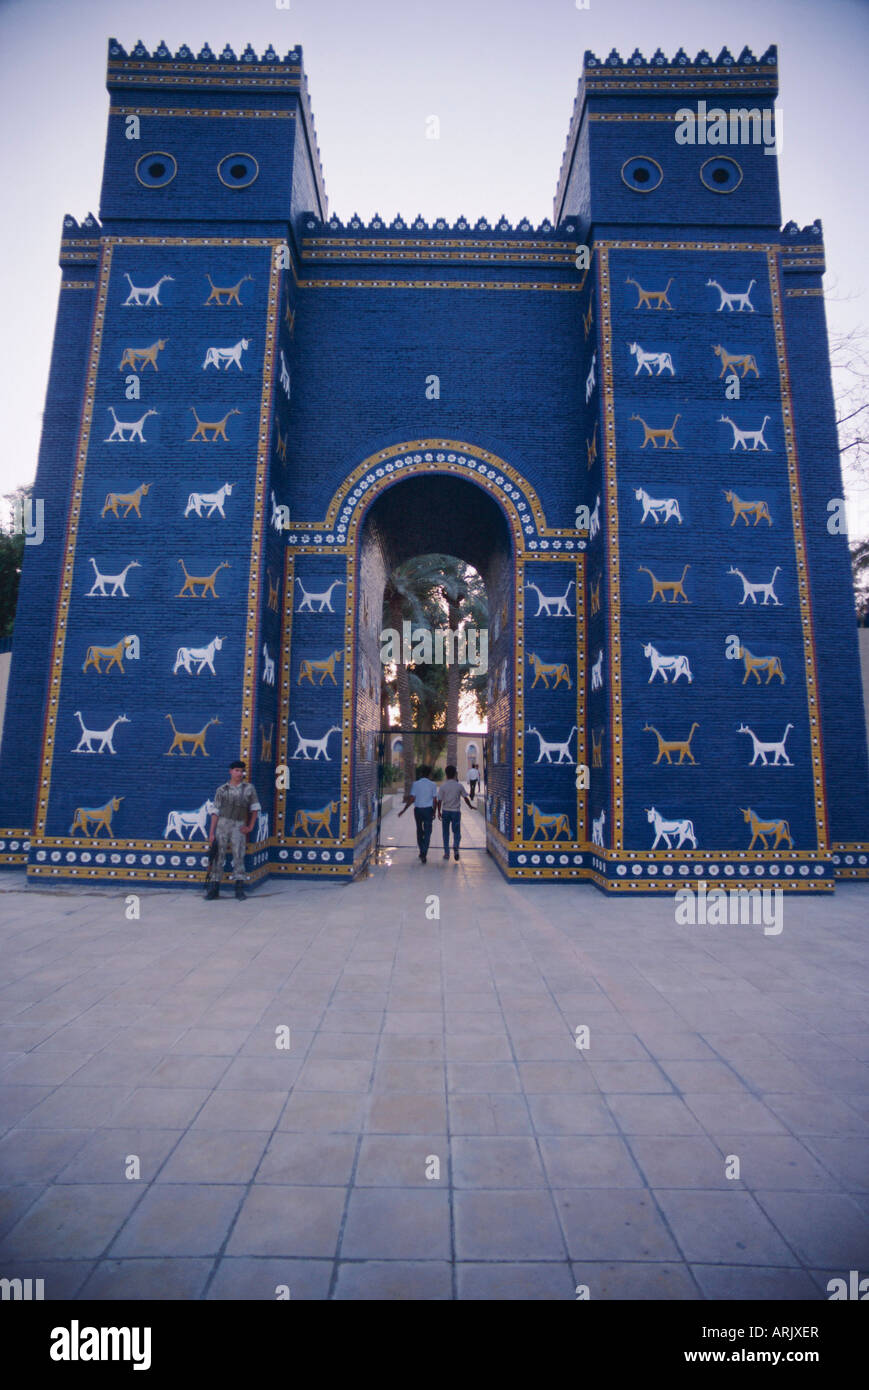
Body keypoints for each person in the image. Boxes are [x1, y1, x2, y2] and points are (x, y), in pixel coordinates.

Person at [205, 759, 261, 901]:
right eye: (236, 770)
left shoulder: (249, 788)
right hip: (222, 825)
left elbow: (254, 809)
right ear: (231, 772)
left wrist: (250, 827)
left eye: (241, 771)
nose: (239, 773)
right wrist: (211, 833)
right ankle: (214, 888)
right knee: (218, 856)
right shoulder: (222, 789)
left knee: (238, 855)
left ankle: (239, 888)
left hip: (238, 824)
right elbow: (215, 812)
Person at [397, 764, 438, 862]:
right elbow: (435, 800)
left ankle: (421, 850)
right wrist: (434, 811)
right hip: (428, 810)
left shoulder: (416, 784)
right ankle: (424, 852)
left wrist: (404, 810)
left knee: (419, 830)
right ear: (429, 774)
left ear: (421, 773)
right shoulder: (433, 784)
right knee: (428, 832)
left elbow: (412, 799)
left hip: (418, 810)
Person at [436, 765, 473, 861]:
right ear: (455, 774)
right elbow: (465, 797)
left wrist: (438, 812)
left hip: (446, 811)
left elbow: (439, 800)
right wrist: (470, 806)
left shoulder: (443, 786)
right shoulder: (459, 786)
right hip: (456, 812)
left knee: (445, 832)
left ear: (446, 774)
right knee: (456, 832)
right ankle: (456, 847)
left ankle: (446, 853)